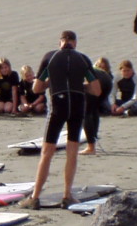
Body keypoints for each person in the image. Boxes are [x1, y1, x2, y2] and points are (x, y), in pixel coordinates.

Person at [20, 30, 100, 209]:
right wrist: (79, 85)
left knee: (47, 152)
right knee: (72, 151)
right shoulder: (83, 59)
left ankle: (35, 197)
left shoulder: (51, 57)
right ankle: (67, 195)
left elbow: (36, 88)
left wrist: (52, 82)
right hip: (77, 106)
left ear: (60, 42)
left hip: (58, 105)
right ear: (75, 43)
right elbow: (96, 90)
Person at [83, 57, 113, 154]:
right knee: (93, 109)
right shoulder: (84, 62)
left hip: (96, 79)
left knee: (85, 113)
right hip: (107, 81)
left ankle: (91, 147)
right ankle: (93, 141)